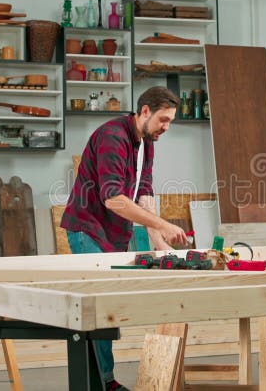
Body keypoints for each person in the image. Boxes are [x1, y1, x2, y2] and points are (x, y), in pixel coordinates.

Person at [61, 86, 187, 391]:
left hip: (114, 233)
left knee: (107, 307)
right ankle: (104, 383)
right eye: (163, 120)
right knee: (98, 307)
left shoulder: (147, 142)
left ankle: (102, 381)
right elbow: (113, 199)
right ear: (144, 111)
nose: (166, 127)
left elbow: (144, 195)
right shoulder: (113, 137)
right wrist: (163, 225)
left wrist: (159, 242)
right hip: (88, 228)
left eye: (170, 121)